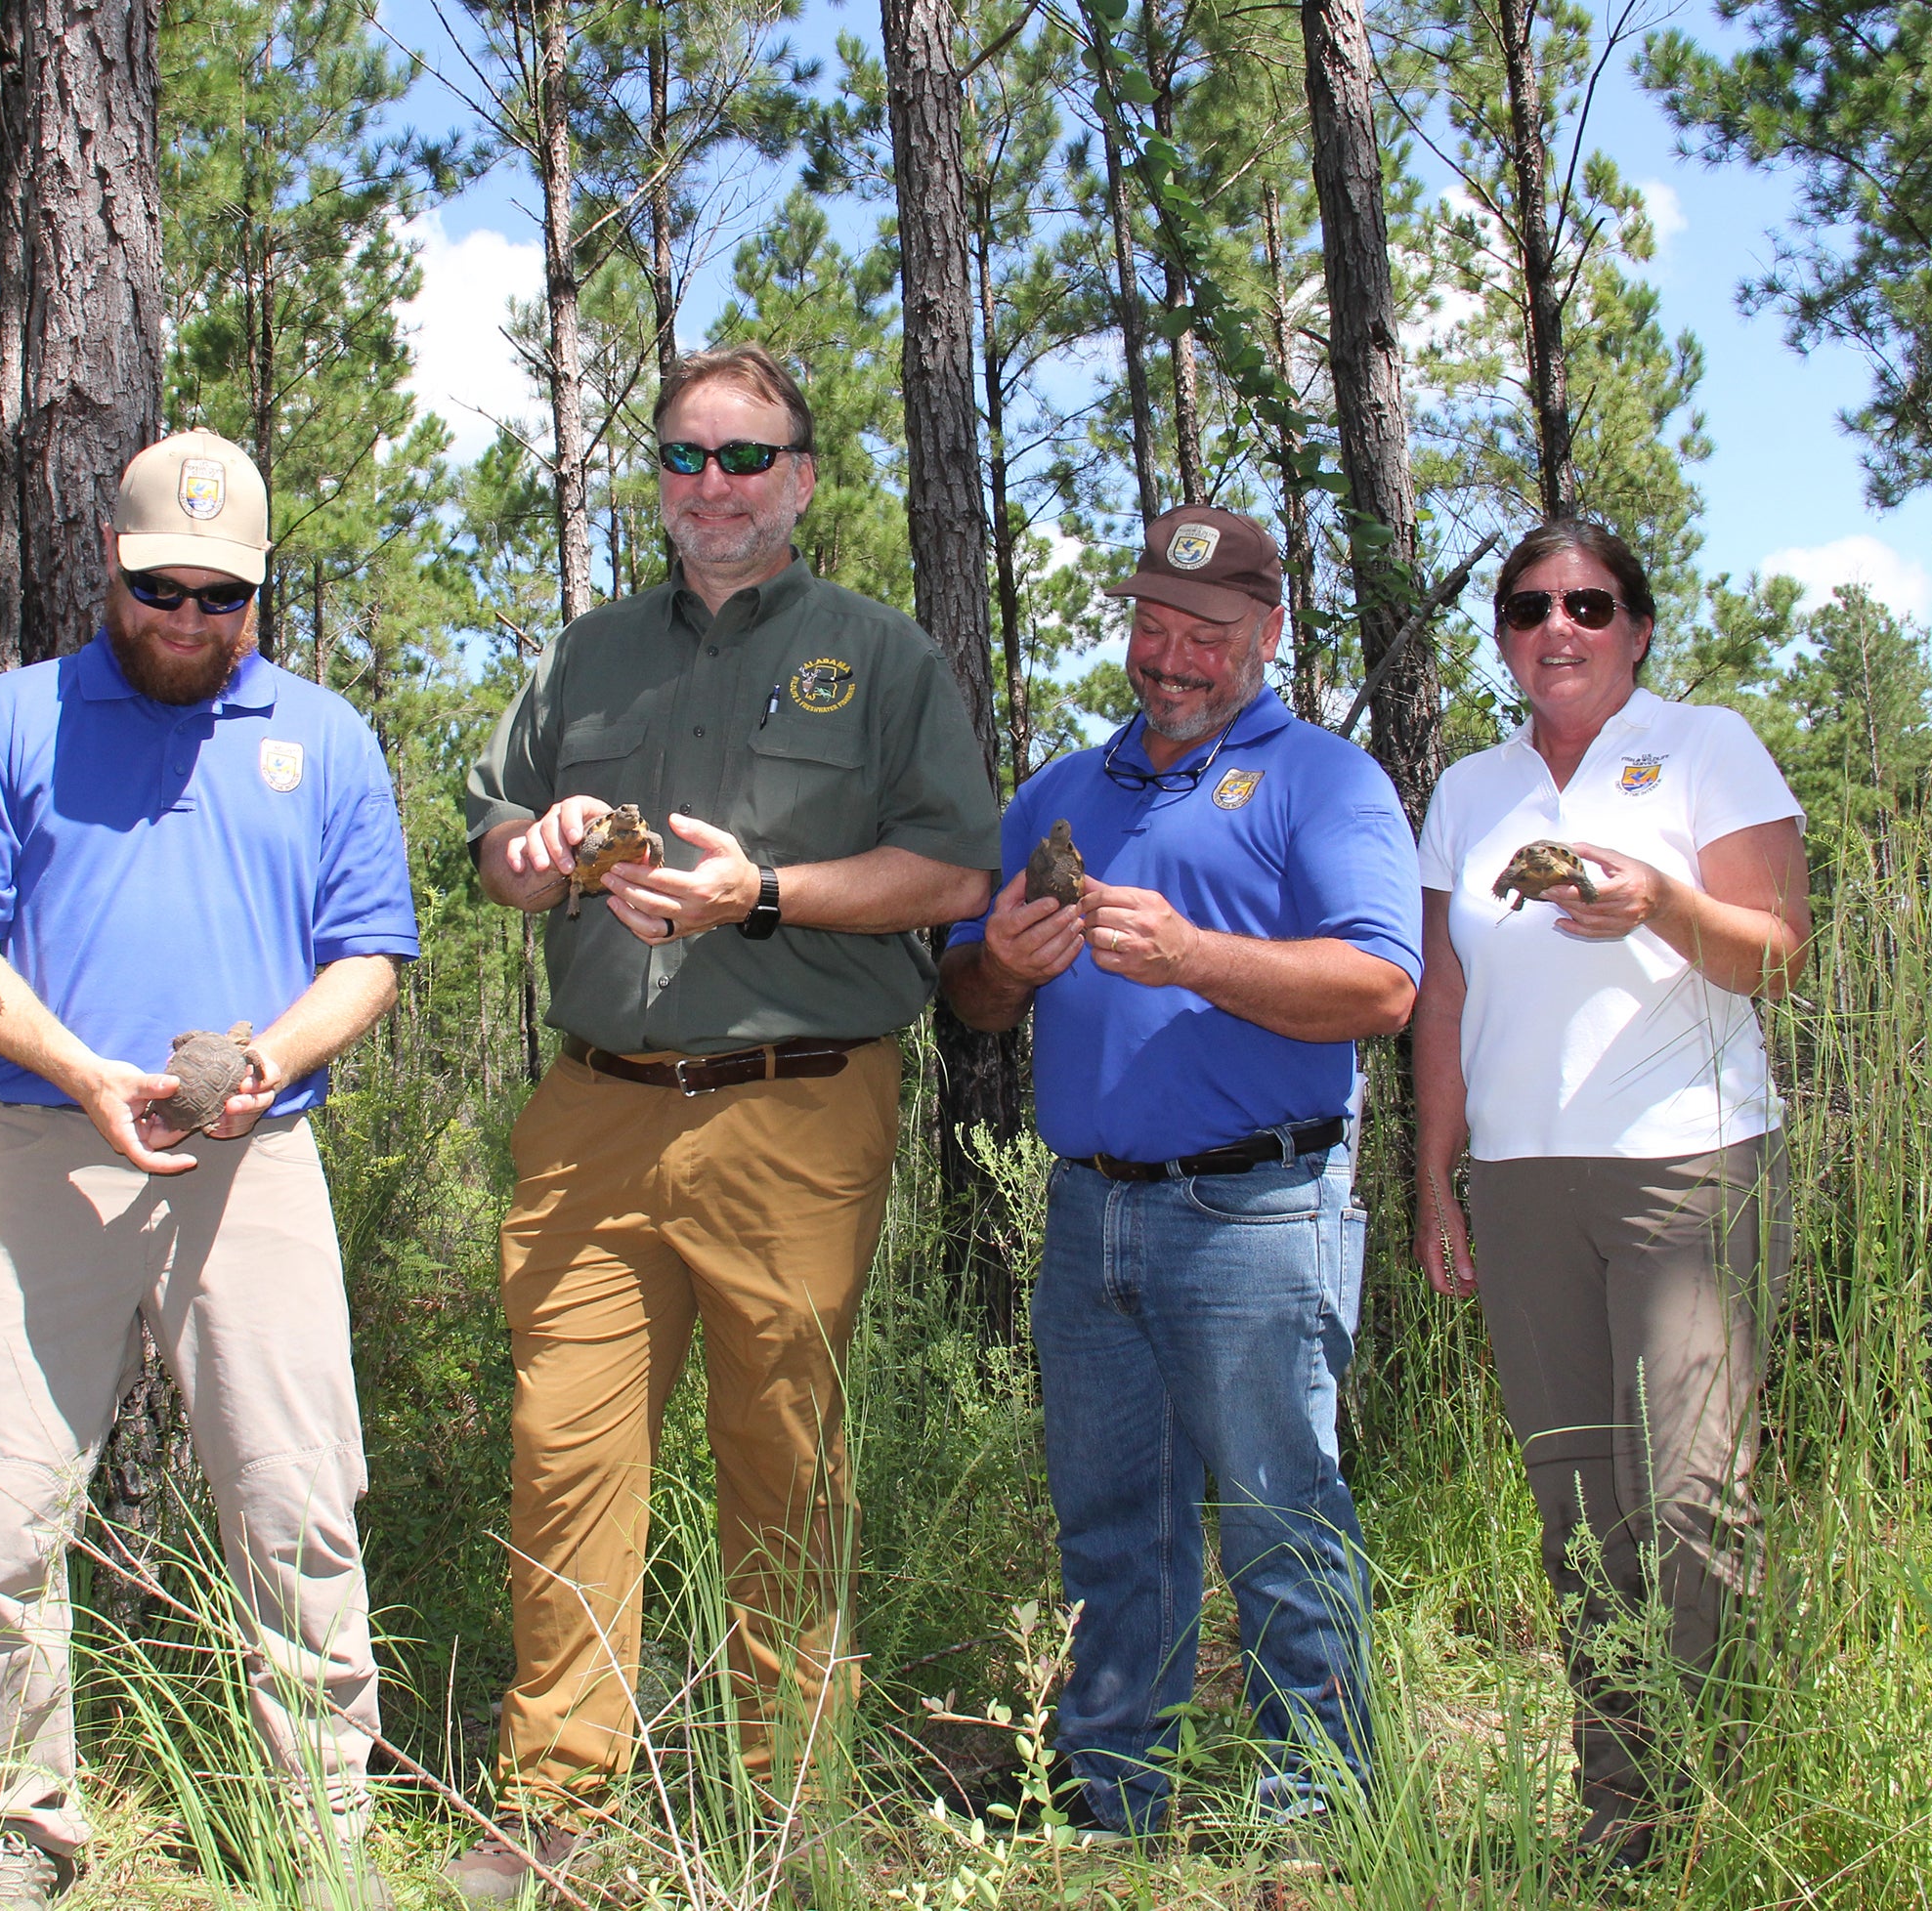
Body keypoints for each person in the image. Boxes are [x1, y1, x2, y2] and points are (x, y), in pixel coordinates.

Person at [451, 344, 1000, 1899]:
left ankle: (790, 1801)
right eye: (686, 457)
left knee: (787, 1459)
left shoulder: (878, 655)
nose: (714, 487)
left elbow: (955, 874)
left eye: (746, 458)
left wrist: (758, 892)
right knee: (565, 1452)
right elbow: (490, 844)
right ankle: (560, 1798)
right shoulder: (587, 654)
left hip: (798, 1112)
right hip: (594, 1115)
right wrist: (534, 844)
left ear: (802, 479)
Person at [0, 430, 418, 1911]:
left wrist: (264, 1065)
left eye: (223, 597)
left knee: (297, 1502)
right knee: (1, 1504)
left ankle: (323, 1829)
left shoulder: (322, 737)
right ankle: (17, 1825)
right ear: (109, 568)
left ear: (261, 592)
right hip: (45, 1154)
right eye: (162, 589)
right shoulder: (8, 721)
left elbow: (370, 950)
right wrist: (83, 1075)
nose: (190, 620)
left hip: (257, 1162)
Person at [938, 505, 1421, 1842]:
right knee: (1110, 1525)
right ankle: (1107, 1794)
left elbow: (1384, 983)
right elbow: (970, 998)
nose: (1172, 655)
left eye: (1206, 632)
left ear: (1267, 635)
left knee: (1280, 1521)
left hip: (1258, 1211)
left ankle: (1314, 1817)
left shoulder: (1326, 780)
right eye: (1153, 623)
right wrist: (1003, 968)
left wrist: (1197, 954)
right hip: (1089, 1209)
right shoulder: (1059, 792)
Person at [1410, 520, 1806, 1867]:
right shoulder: (1470, 789)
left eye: (1587, 604)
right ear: (1505, 636)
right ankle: (1620, 1816)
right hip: (1520, 1183)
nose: (1555, 629)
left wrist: (1661, 902)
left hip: (1688, 1166)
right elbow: (1445, 997)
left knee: (1693, 1498)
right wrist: (1436, 1183)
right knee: (1580, 1509)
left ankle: (1719, 1804)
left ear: (1637, 625)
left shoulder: (1706, 746)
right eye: (1527, 608)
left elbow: (1774, 957)